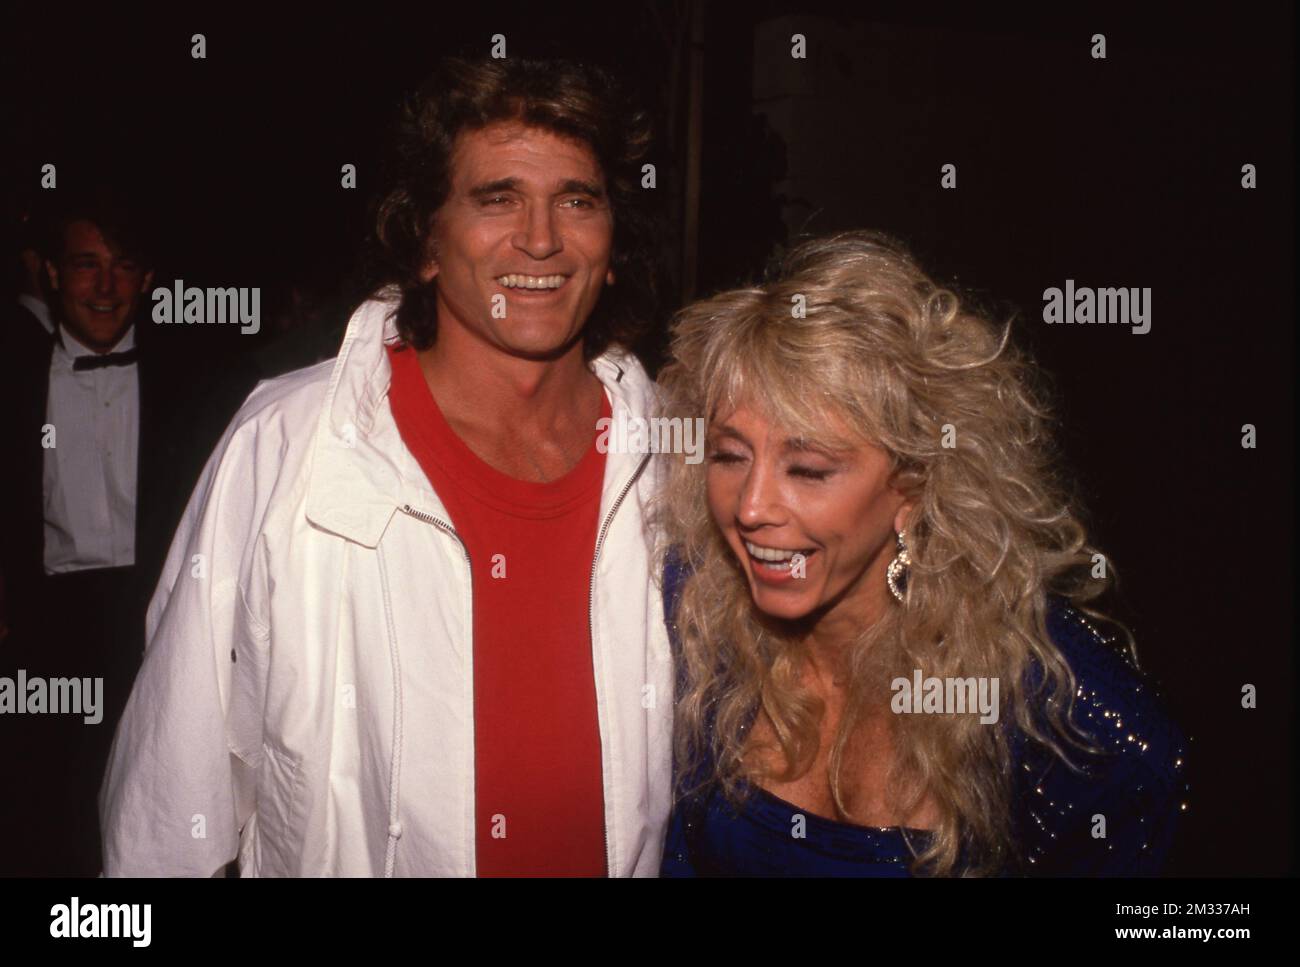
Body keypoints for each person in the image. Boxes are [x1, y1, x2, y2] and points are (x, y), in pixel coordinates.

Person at [99, 56, 672, 877]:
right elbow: (167, 797)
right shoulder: (288, 445)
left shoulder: (673, 460)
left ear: (612, 244)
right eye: (497, 198)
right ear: (426, 244)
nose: (541, 238)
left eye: (577, 200)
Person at [655, 231, 1189, 876]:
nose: (750, 507)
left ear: (913, 487)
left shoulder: (1065, 725)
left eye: (809, 468)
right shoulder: (696, 626)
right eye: (730, 457)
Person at [0, 190, 255, 875]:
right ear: (51, 274)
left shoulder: (201, 381)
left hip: (159, 616)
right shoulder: (15, 378)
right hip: (45, 625)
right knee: (44, 803)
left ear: (148, 280)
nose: (105, 285)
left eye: (122, 266)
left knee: (161, 802)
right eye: (85, 265)